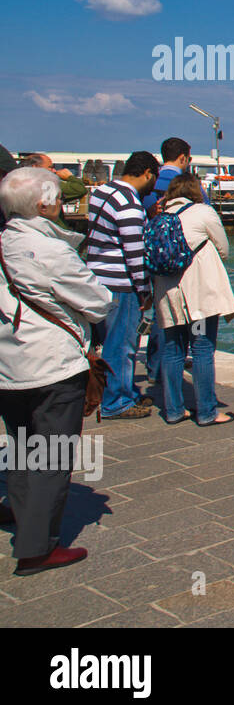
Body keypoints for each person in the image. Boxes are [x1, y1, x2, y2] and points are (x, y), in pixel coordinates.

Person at [0, 166, 113, 574]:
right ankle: (37, 547)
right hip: (51, 363)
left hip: (10, 361)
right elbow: (97, 301)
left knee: (21, 443)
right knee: (52, 453)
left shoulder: (4, 242)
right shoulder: (49, 250)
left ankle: (19, 509)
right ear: (44, 204)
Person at [151, 174, 234, 426]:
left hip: (167, 293)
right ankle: (207, 411)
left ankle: (174, 410)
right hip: (199, 293)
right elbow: (224, 247)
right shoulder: (202, 212)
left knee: (172, 350)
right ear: (196, 190)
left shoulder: (160, 216)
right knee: (201, 348)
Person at [86, 150, 158, 419]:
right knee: (122, 344)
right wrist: (144, 290)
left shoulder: (101, 193)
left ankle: (119, 392)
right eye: (154, 178)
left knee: (107, 341)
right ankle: (116, 401)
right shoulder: (129, 202)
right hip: (121, 283)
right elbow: (134, 251)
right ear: (147, 173)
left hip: (97, 277)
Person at [141, 137, 207, 385]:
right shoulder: (191, 187)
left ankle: (155, 366)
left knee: (162, 316)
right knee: (191, 321)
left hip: (155, 258)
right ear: (183, 158)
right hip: (186, 263)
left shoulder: (151, 183)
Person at [21, 154, 89, 227]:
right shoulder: (48, 184)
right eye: (50, 167)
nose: (54, 170)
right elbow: (80, 190)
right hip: (51, 230)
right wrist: (69, 177)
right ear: (35, 167)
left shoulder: (18, 185)